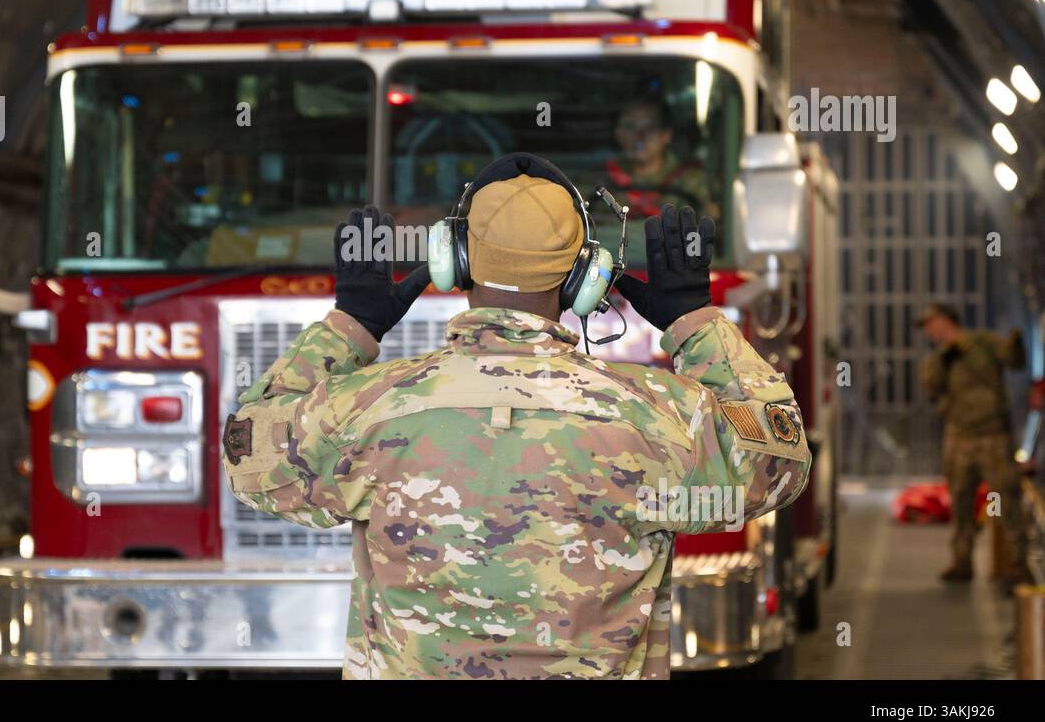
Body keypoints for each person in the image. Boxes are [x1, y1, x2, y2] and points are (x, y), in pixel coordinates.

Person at [222, 153, 811, 679]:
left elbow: (248, 454)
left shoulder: (365, 410)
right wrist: (693, 321)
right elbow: (778, 464)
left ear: (452, 262)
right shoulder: (656, 417)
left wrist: (351, 325)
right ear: (585, 277)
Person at [917, 303, 1028, 593]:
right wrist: (945, 360)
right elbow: (931, 388)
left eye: (933, 323)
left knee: (1007, 500)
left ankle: (1017, 565)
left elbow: (1013, 359)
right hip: (959, 437)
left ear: (947, 319)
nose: (930, 331)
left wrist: (1017, 342)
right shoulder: (939, 358)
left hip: (993, 436)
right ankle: (961, 561)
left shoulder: (984, 343)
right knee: (961, 501)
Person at [609, 90, 718, 220]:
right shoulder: (603, 179)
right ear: (618, 133)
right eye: (629, 126)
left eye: (650, 127)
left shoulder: (692, 181)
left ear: (666, 135)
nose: (639, 135)